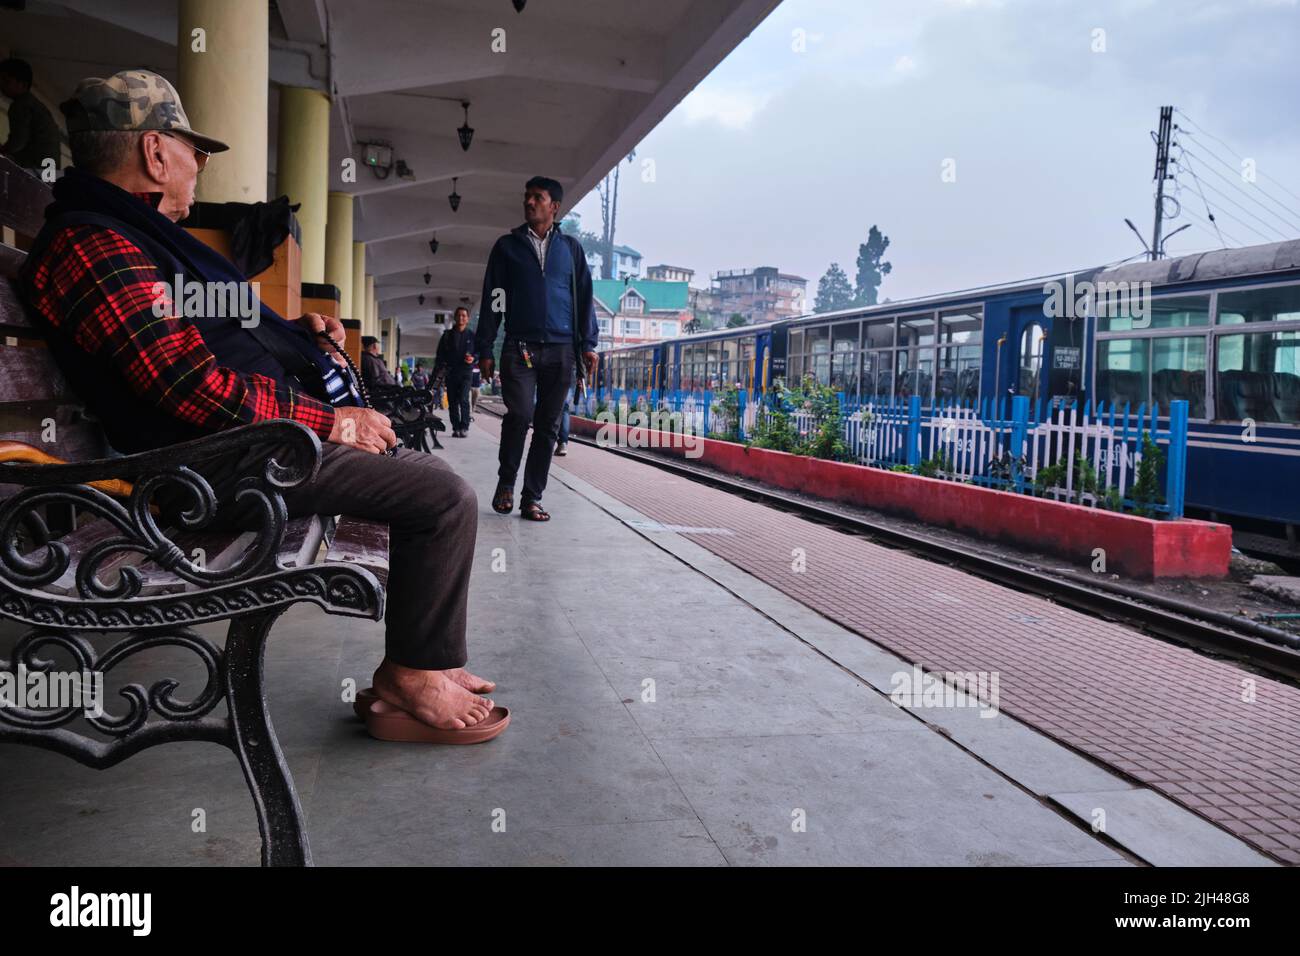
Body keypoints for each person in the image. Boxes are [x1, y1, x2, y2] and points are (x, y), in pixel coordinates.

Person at [19, 69, 499, 738]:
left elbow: (202, 337)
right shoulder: (96, 244)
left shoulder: (131, 238)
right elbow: (185, 380)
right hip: (199, 469)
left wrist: (293, 335)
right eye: (194, 149)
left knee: (435, 482)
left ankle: (425, 662)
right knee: (442, 498)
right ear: (155, 154)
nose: (202, 164)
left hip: (229, 450)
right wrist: (331, 420)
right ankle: (413, 674)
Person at [476, 175, 598, 521]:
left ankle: (532, 497)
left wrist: (588, 343)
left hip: (561, 349)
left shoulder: (571, 249)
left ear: (554, 206)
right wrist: (485, 346)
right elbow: (494, 299)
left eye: (537, 197)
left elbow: (584, 298)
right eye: (527, 197)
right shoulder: (507, 247)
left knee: (547, 425)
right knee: (519, 415)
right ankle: (506, 484)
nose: (529, 202)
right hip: (519, 346)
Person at [0, 58, 62, 177]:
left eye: (6, 81)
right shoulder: (36, 105)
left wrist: (3, 150)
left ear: (22, 84)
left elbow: (18, 142)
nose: (1, 84)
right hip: (48, 171)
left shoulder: (20, 105)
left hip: (34, 168)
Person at [434, 305, 476, 437]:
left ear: (468, 319)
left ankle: (464, 427)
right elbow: (440, 355)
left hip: (466, 372)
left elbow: (478, 352)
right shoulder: (447, 335)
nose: (461, 318)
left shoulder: (472, 336)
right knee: (452, 401)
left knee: (464, 399)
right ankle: (456, 427)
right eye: (459, 315)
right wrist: (437, 374)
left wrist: (474, 358)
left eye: (464, 315)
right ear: (455, 318)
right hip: (451, 372)